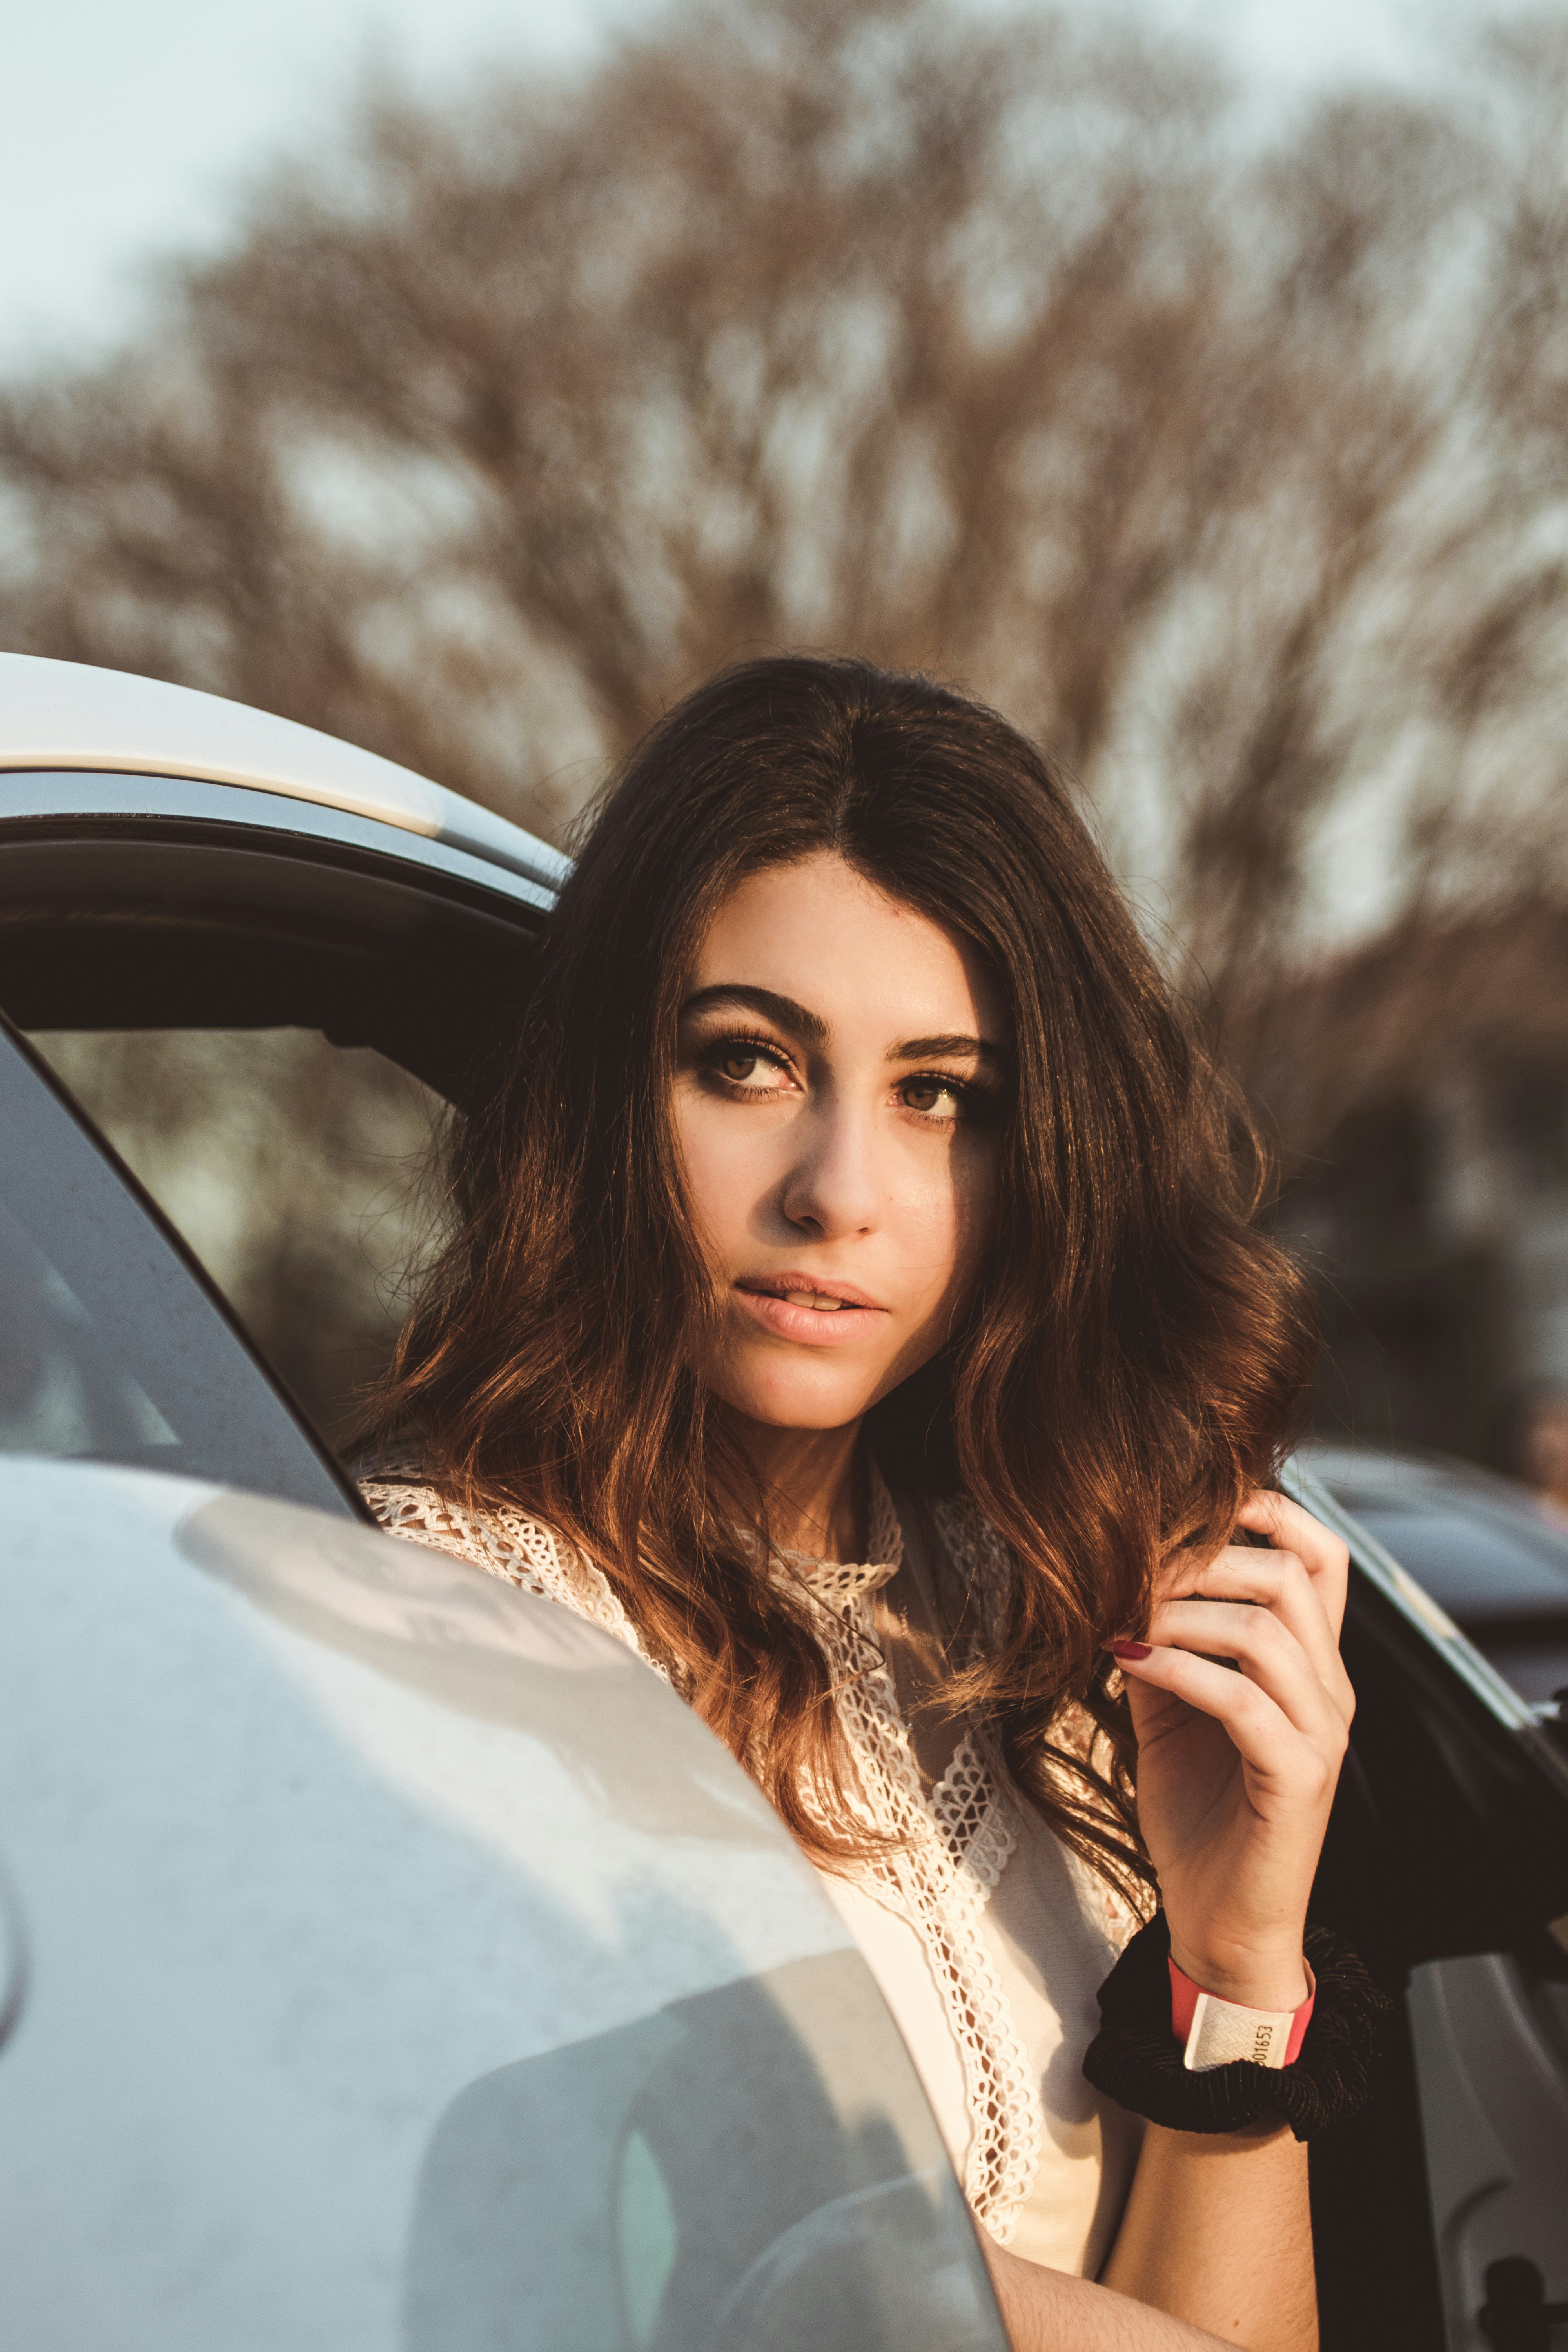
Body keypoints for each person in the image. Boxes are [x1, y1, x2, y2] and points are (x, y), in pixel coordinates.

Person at [362, 655, 1359, 2350]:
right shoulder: (440, 1634)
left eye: (938, 1096)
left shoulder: (1027, 1619)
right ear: (613, 1093)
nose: (841, 1194)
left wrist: (1237, 1962)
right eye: (745, 1063)